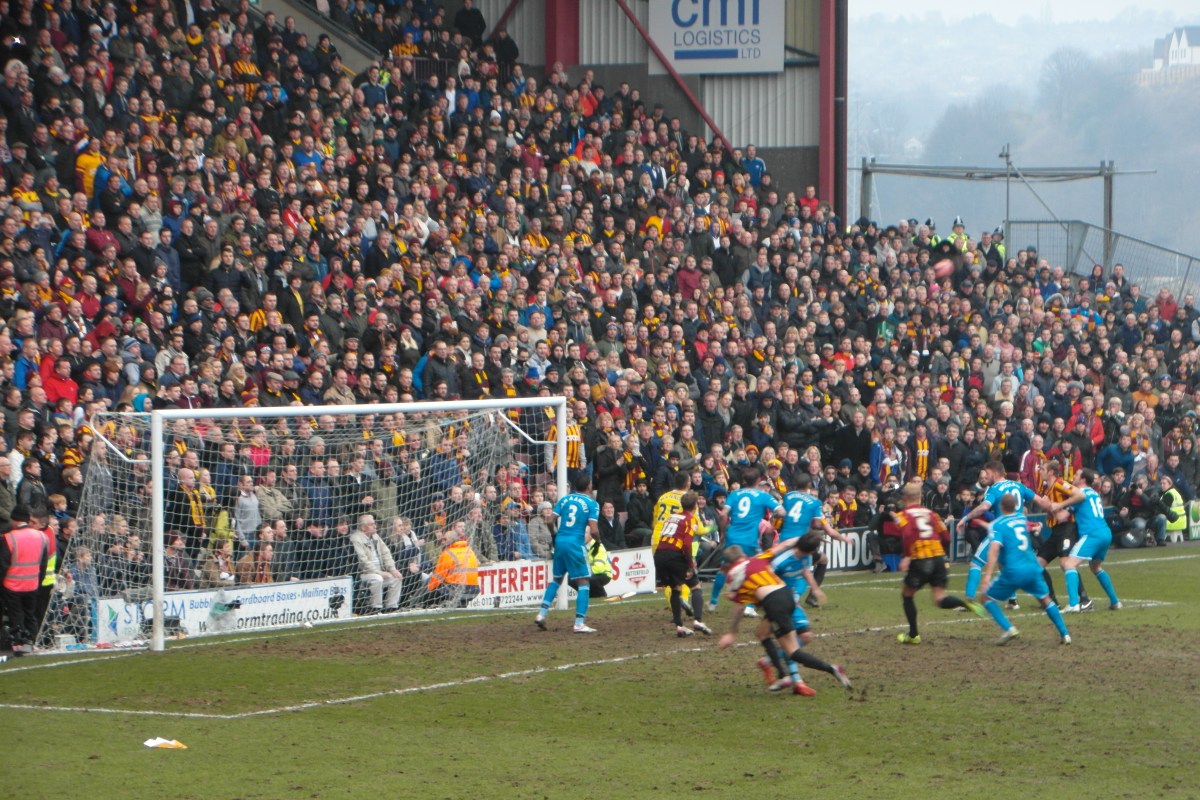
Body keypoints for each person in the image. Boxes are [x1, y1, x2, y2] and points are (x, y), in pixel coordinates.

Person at [716, 544, 852, 693]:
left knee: (792, 651)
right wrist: (800, 540)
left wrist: (732, 633)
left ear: (729, 563)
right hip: (787, 595)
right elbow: (785, 544)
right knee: (762, 633)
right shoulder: (757, 559)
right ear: (742, 554)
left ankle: (830, 669)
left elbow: (739, 607)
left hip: (775, 604)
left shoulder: (734, 575)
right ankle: (783, 674)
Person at [887, 482, 983, 644]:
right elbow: (946, 537)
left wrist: (907, 556)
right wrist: (941, 553)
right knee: (939, 598)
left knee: (907, 594)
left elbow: (908, 534)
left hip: (921, 559)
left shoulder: (904, 515)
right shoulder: (932, 514)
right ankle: (964, 603)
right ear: (920, 497)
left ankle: (913, 634)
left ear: (904, 498)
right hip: (938, 558)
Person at [976, 493, 1072, 645]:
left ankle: (1009, 629)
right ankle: (1065, 634)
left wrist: (987, 576)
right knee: (1045, 600)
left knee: (986, 598)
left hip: (1013, 570)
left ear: (1000, 507)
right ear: (1015, 506)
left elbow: (994, 548)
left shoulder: (997, 524)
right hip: (1032, 567)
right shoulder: (1021, 519)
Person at [707, 469, 781, 612]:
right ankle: (750, 606)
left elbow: (723, 515)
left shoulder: (734, 494)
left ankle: (713, 601)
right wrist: (773, 523)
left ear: (744, 481)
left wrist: (723, 533)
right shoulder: (763, 496)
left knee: (724, 568)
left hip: (732, 537)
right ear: (758, 481)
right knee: (758, 570)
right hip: (750, 541)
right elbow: (781, 511)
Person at [1049, 469, 1123, 612]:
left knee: (1069, 564)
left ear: (1083, 480)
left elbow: (1061, 517)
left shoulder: (1080, 495)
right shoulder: (1094, 493)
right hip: (1105, 533)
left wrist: (1052, 506)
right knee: (1095, 567)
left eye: (1076, 475)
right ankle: (1115, 601)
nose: (1074, 477)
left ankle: (1073, 603)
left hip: (1092, 534)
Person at [535, 473, 599, 633]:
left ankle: (541, 614)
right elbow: (594, 529)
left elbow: (549, 519)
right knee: (584, 583)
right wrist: (598, 541)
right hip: (575, 544)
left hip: (560, 542)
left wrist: (554, 534)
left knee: (557, 579)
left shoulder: (564, 499)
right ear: (589, 486)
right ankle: (579, 623)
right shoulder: (592, 504)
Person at [778, 475, 851, 607]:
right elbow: (820, 526)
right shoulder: (814, 503)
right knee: (808, 567)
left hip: (783, 540)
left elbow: (781, 513)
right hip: (801, 543)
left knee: (778, 567)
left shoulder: (788, 496)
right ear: (809, 486)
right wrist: (845, 539)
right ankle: (807, 597)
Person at [1033, 460, 1092, 609]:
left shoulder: (1059, 484)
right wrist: (1047, 508)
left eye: (1043, 469)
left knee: (1066, 563)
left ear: (1051, 472)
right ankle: (1051, 601)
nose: (1040, 471)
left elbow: (1079, 495)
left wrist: (1061, 506)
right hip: (1056, 531)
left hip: (1067, 528)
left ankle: (1084, 599)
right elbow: (1053, 510)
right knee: (1037, 564)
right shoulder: (1048, 489)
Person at [653, 491, 712, 637]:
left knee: (675, 588)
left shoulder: (671, 517)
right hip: (674, 555)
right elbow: (686, 545)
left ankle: (679, 626)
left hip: (659, 554)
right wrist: (690, 565)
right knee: (696, 587)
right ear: (695, 506)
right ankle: (697, 620)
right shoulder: (690, 520)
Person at [1, 506, 52, 655]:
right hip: (32, 584)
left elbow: (3, 564)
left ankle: (18, 644)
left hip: (12, 584)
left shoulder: (9, 537)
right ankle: (32, 641)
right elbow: (43, 563)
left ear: (14, 520)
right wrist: (39, 580)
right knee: (30, 614)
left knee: (16, 615)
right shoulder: (42, 537)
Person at [350, 513, 403, 614]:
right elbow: (363, 561)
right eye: (371, 524)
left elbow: (386, 553)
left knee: (396, 577)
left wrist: (392, 569)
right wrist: (378, 572)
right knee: (377, 579)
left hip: (379, 572)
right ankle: (375, 608)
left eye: (374, 523)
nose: (375, 526)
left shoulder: (375, 536)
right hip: (364, 573)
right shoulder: (356, 539)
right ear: (363, 527)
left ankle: (391, 608)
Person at [427, 526, 481, 607]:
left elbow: (438, 577)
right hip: (474, 590)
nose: (442, 542)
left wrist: (428, 591)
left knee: (431, 585)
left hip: (456, 589)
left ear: (451, 539)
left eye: (445, 539)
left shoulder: (448, 553)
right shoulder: (469, 550)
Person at [585, 529, 613, 599]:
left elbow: (598, 569)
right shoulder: (580, 547)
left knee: (590, 579)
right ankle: (587, 595)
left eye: (585, 533)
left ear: (591, 535)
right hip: (590, 574)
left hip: (604, 574)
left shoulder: (598, 547)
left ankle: (602, 595)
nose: (582, 535)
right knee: (571, 579)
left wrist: (583, 573)